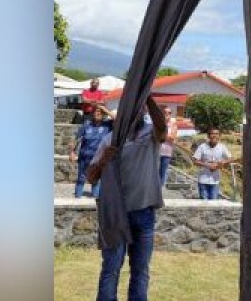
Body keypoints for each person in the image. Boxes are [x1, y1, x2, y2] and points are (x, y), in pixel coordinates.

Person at [86, 94, 167, 301]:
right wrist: (104, 160)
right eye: (131, 108)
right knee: (111, 268)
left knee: (140, 270)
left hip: (144, 213)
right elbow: (91, 177)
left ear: (144, 111)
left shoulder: (151, 134)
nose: (136, 112)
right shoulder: (109, 140)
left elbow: (162, 127)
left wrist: (147, 96)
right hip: (115, 214)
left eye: (140, 109)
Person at [70, 103, 114, 198]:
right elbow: (76, 138)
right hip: (84, 156)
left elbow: (118, 120)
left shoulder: (108, 125)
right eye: (95, 111)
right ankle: (77, 197)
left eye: (99, 112)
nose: (97, 113)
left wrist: (104, 109)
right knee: (81, 177)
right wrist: (72, 152)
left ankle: (95, 198)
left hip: (99, 158)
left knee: (96, 178)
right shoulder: (87, 124)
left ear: (103, 114)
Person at [191, 127, 232, 200]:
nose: (214, 136)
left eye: (216, 134)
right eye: (212, 134)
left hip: (215, 181)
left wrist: (222, 163)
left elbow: (231, 158)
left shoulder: (222, 147)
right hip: (203, 180)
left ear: (219, 136)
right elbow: (194, 160)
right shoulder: (202, 147)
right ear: (208, 135)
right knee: (204, 203)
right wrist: (208, 165)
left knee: (214, 202)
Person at [158, 105, 179, 185]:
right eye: (165, 112)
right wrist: (166, 136)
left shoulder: (173, 124)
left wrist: (162, 135)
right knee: (154, 172)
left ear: (171, 114)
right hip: (157, 151)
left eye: (169, 112)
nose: (167, 114)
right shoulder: (159, 123)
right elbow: (156, 135)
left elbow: (173, 137)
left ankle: (159, 190)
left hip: (167, 152)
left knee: (162, 172)